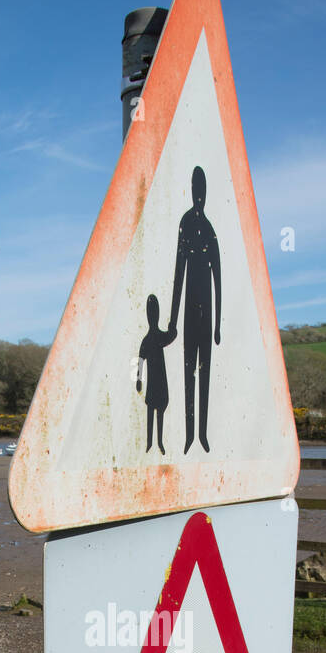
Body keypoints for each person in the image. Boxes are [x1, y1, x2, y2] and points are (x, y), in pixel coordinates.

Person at [167, 165, 221, 453]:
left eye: (202, 190)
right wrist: (173, 320)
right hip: (189, 310)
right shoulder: (186, 223)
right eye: (195, 189)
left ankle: (203, 434)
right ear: (192, 190)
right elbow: (179, 271)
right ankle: (189, 436)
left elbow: (219, 278)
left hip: (207, 311)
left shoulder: (210, 229)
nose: (199, 195)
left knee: (206, 372)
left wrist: (217, 325)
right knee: (189, 371)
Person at [136, 293, 177, 455]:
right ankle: (149, 442)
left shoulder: (158, 336)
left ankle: (159, 441)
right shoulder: (147, 340)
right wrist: (138, 380)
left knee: (159, 411)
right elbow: (139, 360)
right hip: (153, 381)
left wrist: (173, 329)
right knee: (151, 410)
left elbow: (171, 336)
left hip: (160, 380)